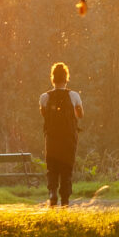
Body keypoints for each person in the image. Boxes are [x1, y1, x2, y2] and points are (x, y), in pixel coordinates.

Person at [39, 61, 84, 207]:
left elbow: (44, 115)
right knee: (66, 169)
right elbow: (80, 115)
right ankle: (65, 200)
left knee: (52, 168)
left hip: (51, 139)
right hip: (68, 140)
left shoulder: (44, 97)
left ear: (53, 79)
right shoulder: (74, 96)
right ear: (66, 78)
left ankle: (52, 193)